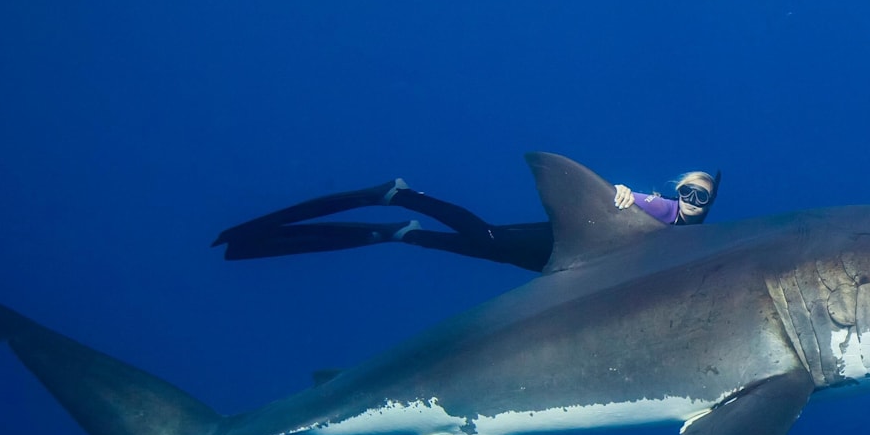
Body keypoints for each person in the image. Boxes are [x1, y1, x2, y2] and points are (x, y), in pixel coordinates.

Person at [212, 169, 719, 274]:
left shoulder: (692, 234)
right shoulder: (665, 212)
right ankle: (401, 197)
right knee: (491, 236)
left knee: (486, 250)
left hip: (566, 262)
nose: (693, 201)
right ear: (678, 191)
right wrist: (622, 197)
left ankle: (404, 233)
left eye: (703, 196)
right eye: (689, 191)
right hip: (565, 244)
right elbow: (625, 201)